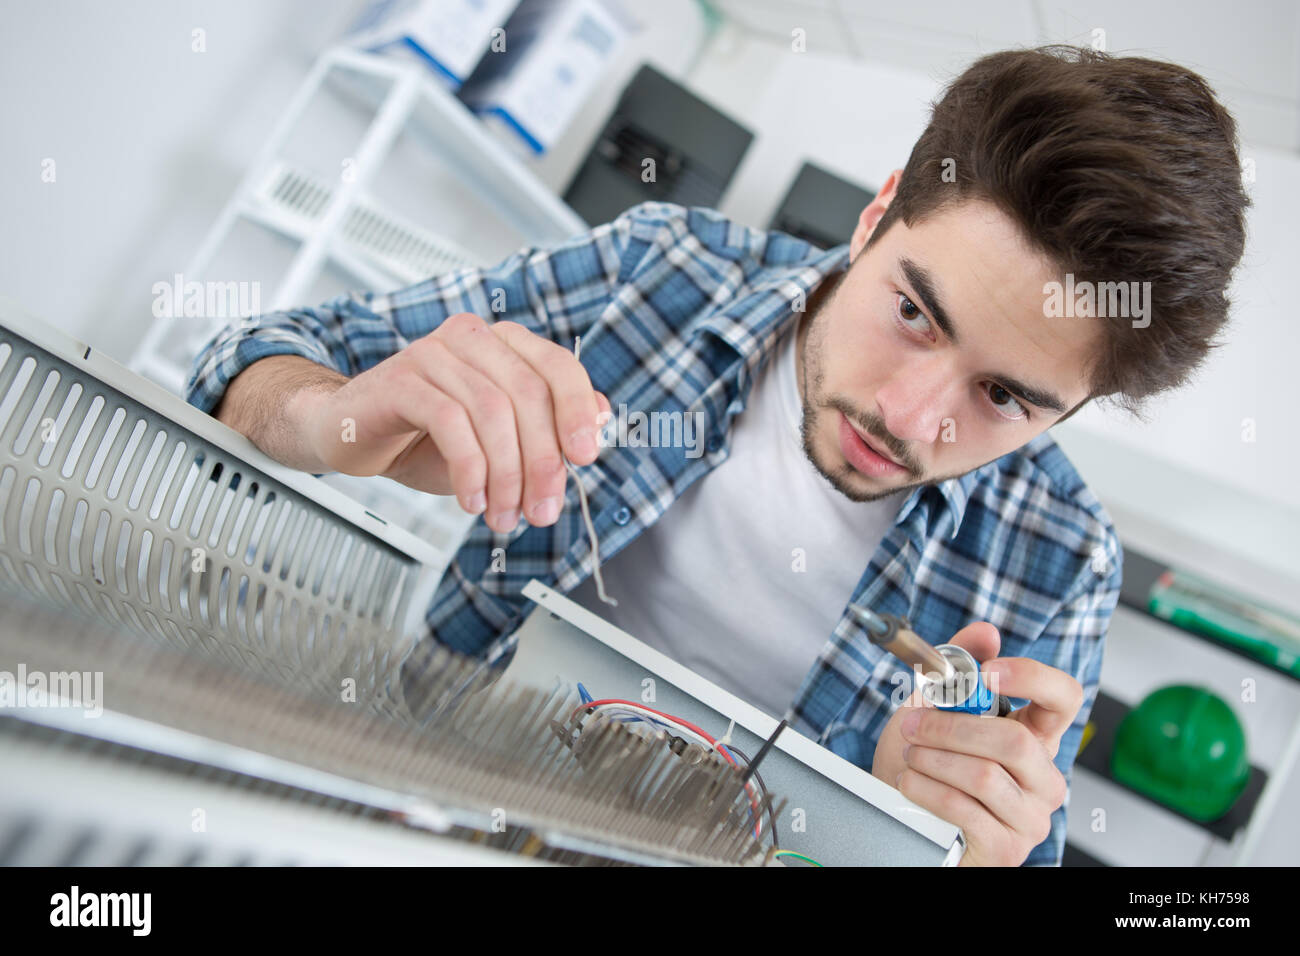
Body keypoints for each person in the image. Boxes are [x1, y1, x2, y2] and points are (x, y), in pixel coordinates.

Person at [184, 45, 1250, 865]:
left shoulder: (1063, 558)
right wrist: (335, 423)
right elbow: (253, 363)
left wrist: (945, 849)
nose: (904, 414)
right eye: (916, 311)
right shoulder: (666, 268)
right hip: (418, 807)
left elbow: (1001, 850)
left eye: (1005, 395)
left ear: (1064, 416)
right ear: (876, 216)